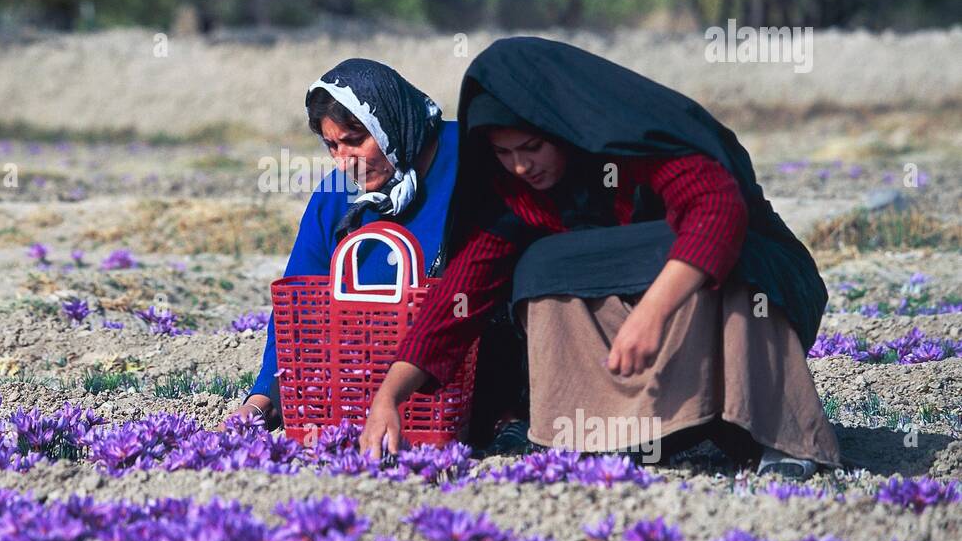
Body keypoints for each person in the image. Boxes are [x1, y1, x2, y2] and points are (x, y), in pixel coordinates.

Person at [358, 36, 843, 480]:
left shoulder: (635, 140)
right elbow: (458, 295)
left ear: (561, 126)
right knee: (540, 266)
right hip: (640, 321)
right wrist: (390, 396)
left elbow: (716, 210)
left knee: (730, 256)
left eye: (532, 147)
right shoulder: (518, 191)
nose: (521, 166)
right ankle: (601, 434)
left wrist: (652, 312)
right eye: (504, 153)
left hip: (750, 277)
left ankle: (778, 438)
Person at [225, 57, 527, 449]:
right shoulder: (337, 195)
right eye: (332, 145)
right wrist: (261, 401)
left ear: (390, 122)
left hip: (470, 356)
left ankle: (514, 410)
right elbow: (301, 300)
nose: (344, 159)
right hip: (370, 371)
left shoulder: (473, 160)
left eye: (355, 140)